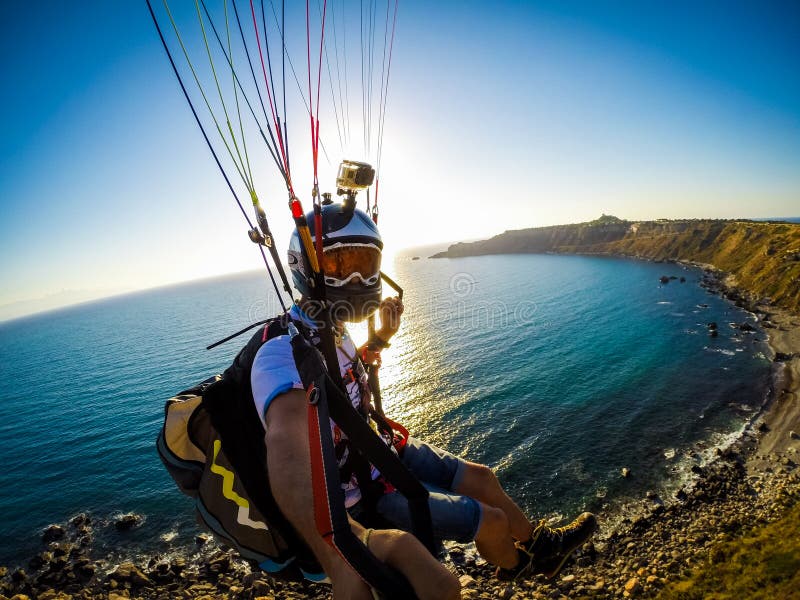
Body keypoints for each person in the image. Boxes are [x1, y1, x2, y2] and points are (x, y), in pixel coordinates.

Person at [250, 201, 597, 598]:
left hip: (381, 451)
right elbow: (287, 450)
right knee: (493, 522)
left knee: (482, 477)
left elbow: (340, 383)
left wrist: (379, 339)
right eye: (342, 264)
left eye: (367, 262)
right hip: (362, 493)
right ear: (305, 268)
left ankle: (540, 545)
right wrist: (337, 550)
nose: (360, 276)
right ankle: (521, 566)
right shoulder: (279, 354)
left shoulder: (331, 328)